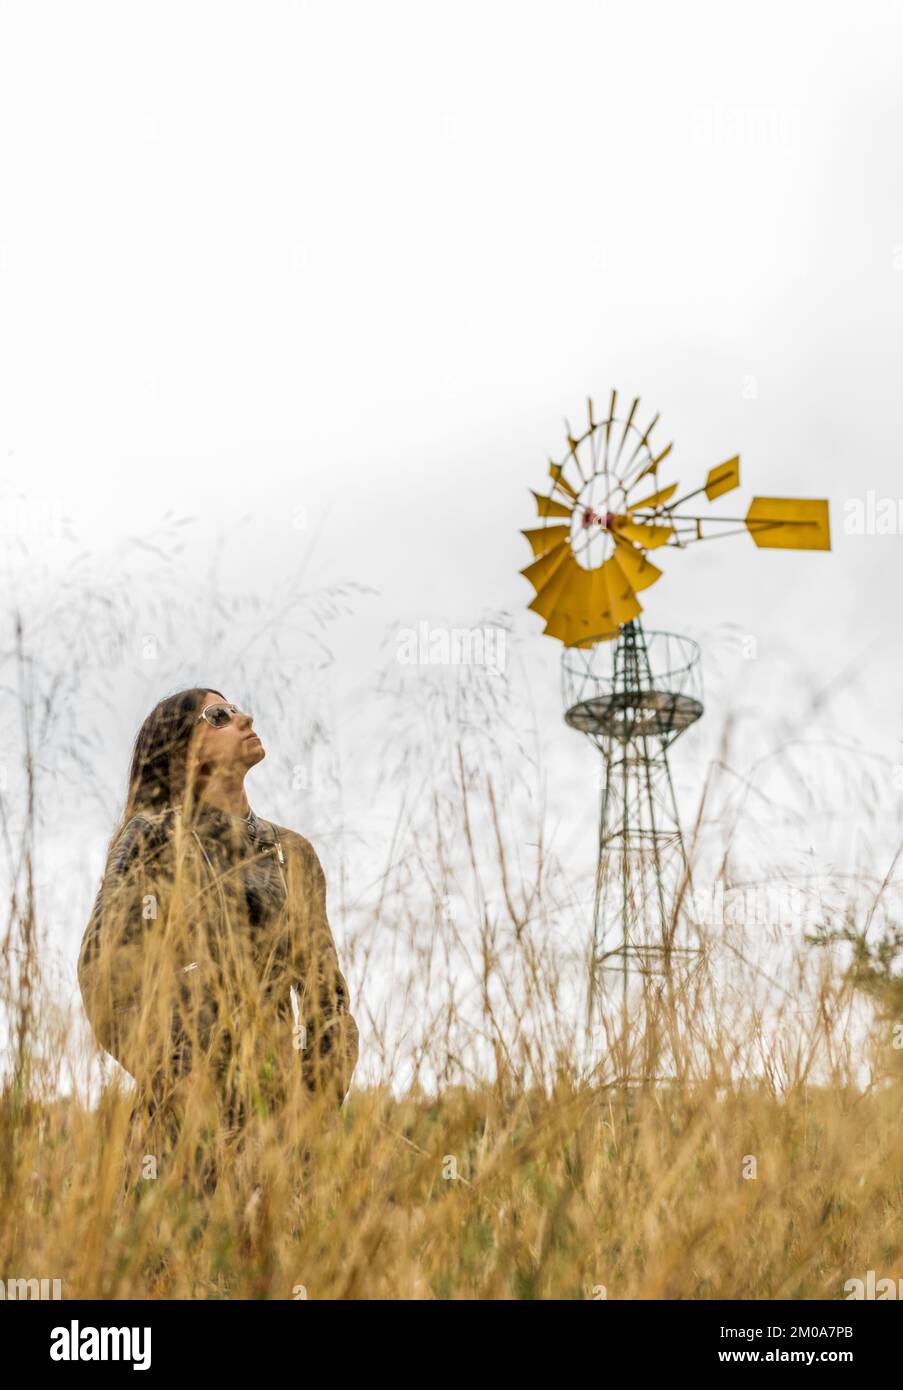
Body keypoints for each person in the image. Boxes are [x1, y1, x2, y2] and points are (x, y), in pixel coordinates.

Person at [78, 687, 359, 1188]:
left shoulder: (290, 853)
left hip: (281, 1141)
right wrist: (182, 1083)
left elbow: (327, 998)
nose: (244, 716)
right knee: (184, 1264)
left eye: (235, 709)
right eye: (219, 716)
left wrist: (311, 1107)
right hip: (176, 1143)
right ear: (184, 754)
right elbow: (104, 975)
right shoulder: (152, 836)